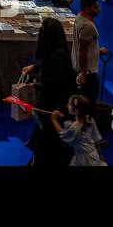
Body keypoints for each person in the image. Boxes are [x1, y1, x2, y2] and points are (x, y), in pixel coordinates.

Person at [20, 17, 76, 166]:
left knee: (49, 142)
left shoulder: (58, 55)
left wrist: (37, 85)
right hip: (53, 106)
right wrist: (35, 67)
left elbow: (54, 84)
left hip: (53, 108)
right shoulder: (56, 51)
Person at [52, 95, 107, 166]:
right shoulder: (89, 119)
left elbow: (62, 133)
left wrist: (53, 120)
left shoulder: (75, 128)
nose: (67, 105)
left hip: (84, 159)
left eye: (70, 105)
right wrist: (100, 155)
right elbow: (96, 140)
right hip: (93, 154)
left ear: (76, 111)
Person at [73, 0, 106, 102]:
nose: (98, 10)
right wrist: (83, 73)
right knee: (90, 98)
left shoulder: (79, 16)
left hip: (81, 67)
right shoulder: (88, 26)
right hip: (88, 71)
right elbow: (83, 50)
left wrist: (98, 51)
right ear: (87, 8)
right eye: (95, 7)